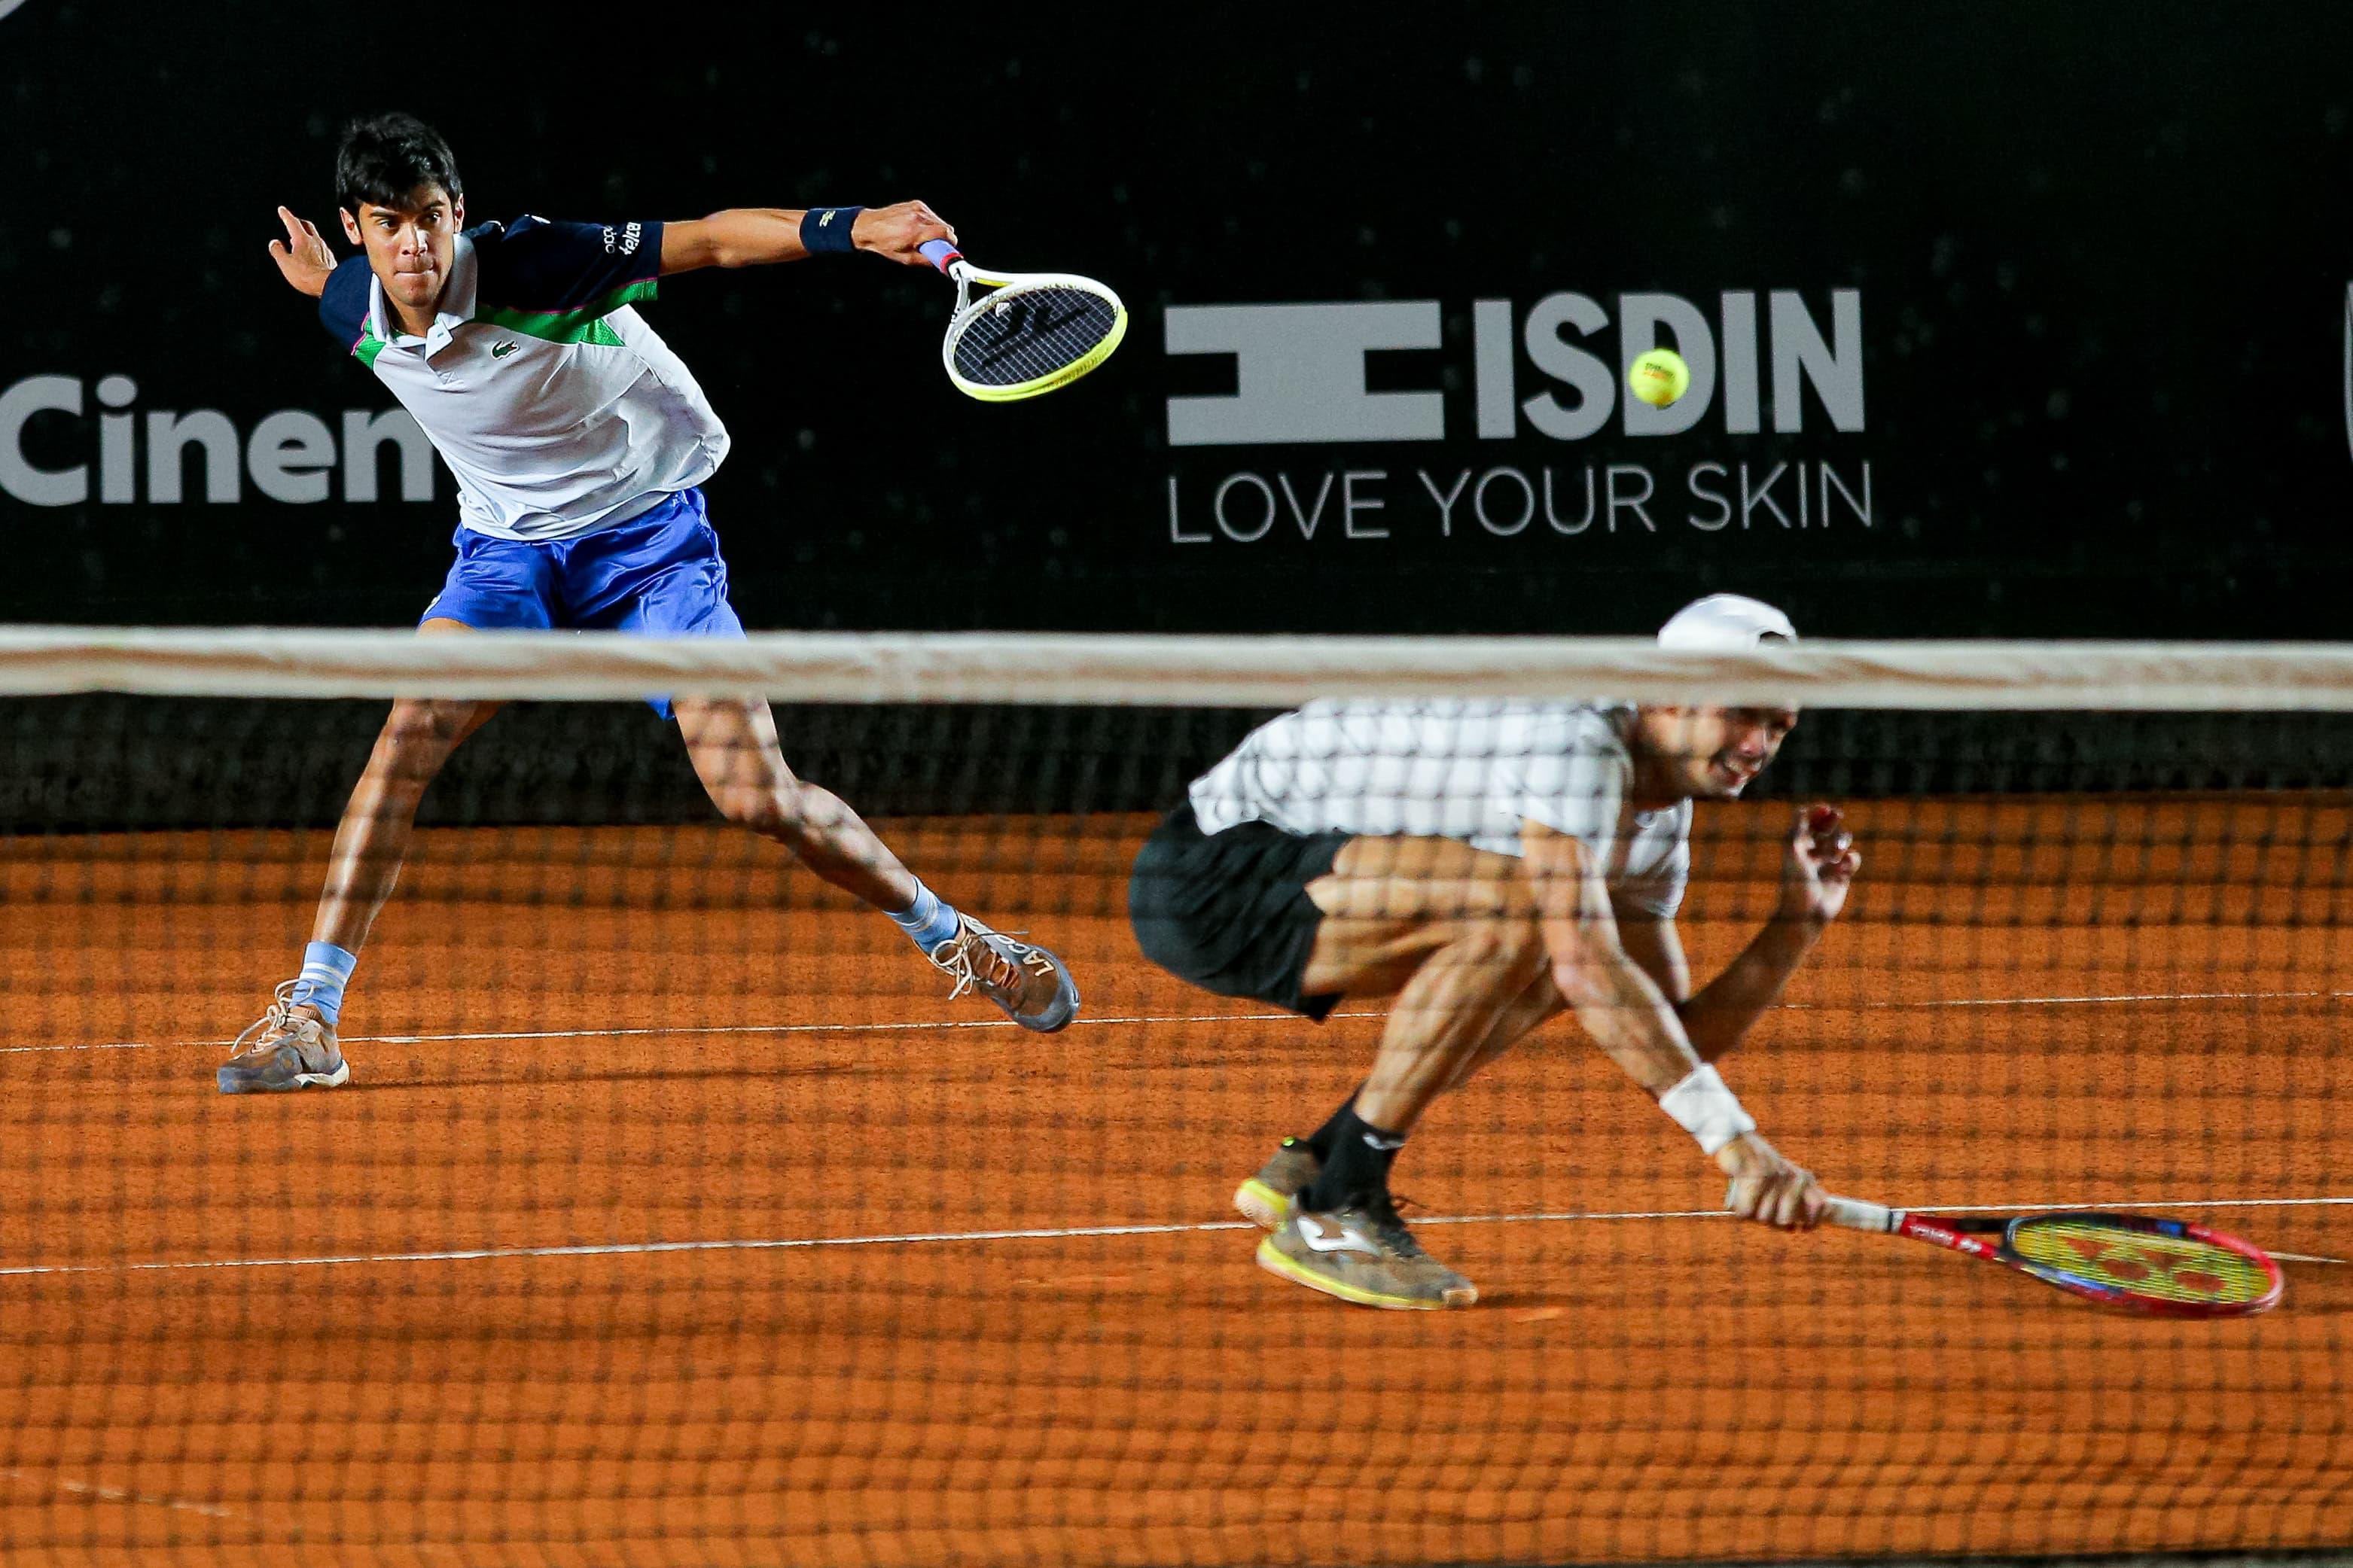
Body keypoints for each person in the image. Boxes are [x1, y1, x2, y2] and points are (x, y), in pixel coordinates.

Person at [223, 112, 1077, 1094]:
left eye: (430, 219)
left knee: (757, 796)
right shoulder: (350, 302)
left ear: (459, 214)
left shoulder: (537, 263)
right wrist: (314, 273)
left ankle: (959, 938)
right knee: (407, 730)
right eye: (389, 225)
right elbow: (327, 285)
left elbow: (711, 238)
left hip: (650, 545)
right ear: (359, 230)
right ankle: (313, 1016)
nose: (413, 244)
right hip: (506, 559)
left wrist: (855, 225)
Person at [1126, 594, 1859, 1308]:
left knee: (1559, 951)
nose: (1757, 746)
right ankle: (1334, 1207)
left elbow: (1673, 1030)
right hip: (1209, 877)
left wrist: (1795, 921)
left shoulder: (1660, 824)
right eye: (1739, 713)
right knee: (1536, 920)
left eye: (1777, 724)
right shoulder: (1575, 740)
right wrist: (1737, 1146)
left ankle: (1315, 1164)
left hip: (1318, 883)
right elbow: (1584, 962)